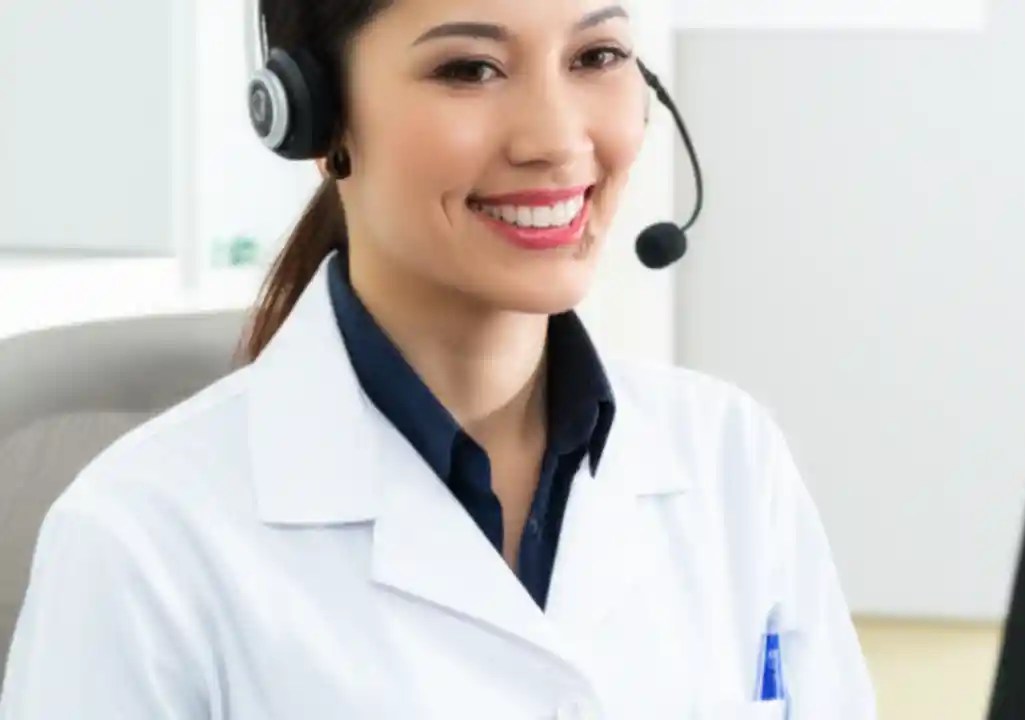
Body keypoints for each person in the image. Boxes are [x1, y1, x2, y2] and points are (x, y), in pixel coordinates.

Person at [0, 0, 876, 717]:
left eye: (597, 56)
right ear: (315, 117)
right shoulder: (141, 539)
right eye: (470, 69)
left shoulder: (728, 457)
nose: (555, 138)